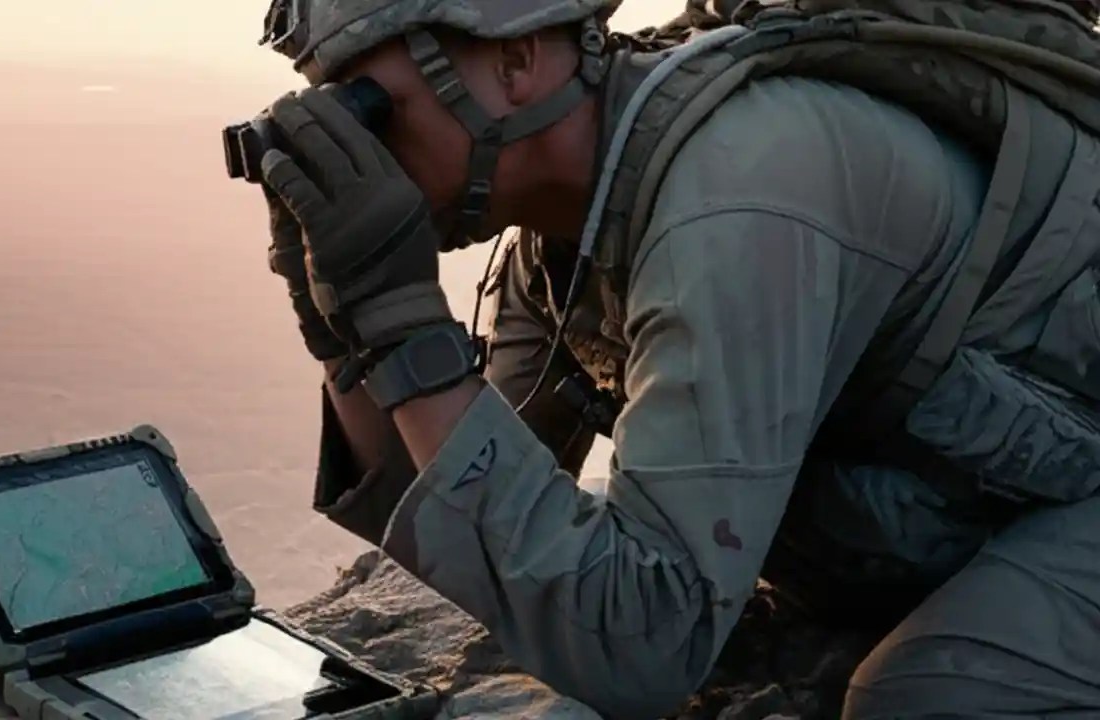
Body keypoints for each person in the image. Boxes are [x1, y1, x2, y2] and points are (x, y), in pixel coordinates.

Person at [251, 0, 1100, 716]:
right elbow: (464, 514)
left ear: (515, 60)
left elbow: (643, 647)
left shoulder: (741, 193)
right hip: (986, 515)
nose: (357, 153)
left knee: (935, 695)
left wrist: (404, 327)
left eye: (368, 109)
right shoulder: (563, 244)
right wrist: (344, 323)